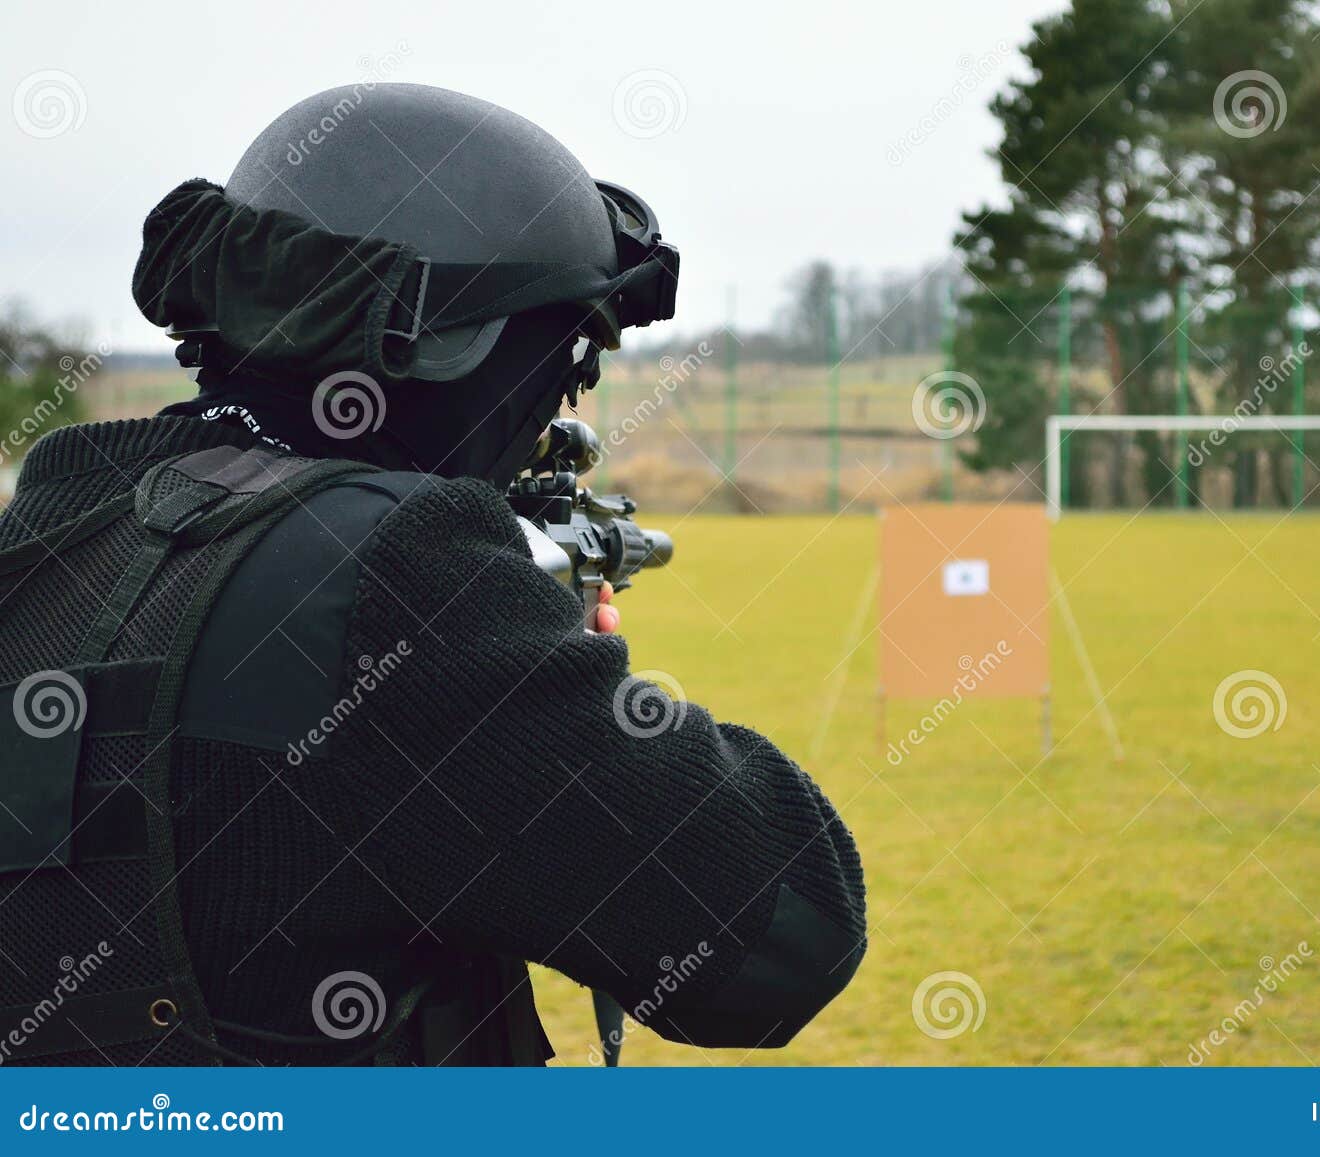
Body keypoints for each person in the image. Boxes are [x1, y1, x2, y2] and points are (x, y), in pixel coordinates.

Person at [0, 83, 865, 1066]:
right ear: (464, 350)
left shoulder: (51, 527)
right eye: (562, 365)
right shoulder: (402, 576)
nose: (552, 408)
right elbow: (780, 935)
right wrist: (593, 686)